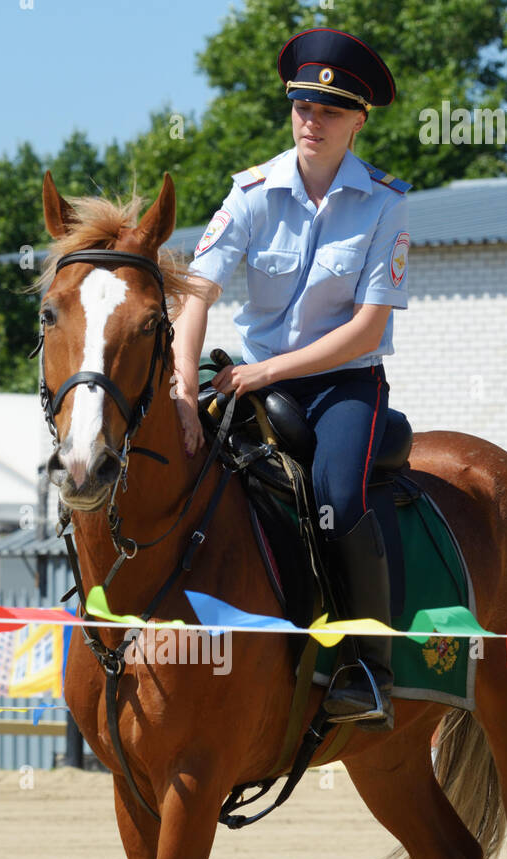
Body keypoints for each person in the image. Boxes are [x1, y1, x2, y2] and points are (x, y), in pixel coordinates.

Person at [172, 27, 411, 728]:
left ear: (358, 121)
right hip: (247, 384)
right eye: (303, 107)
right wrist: (186, 393)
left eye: (331, 112)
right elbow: (196, 294)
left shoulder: (386, 203)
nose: (313, 122)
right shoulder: (249, 192)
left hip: (343, 385)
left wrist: (267, 369)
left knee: (337, 494)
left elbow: (366, 330)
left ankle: (367, 667)